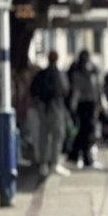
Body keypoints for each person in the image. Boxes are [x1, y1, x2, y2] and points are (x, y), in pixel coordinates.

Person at [28, 50, 70, 182]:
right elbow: (65, 90)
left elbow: (33, 89)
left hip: (43, 108)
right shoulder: (59, 74)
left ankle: (44, 163)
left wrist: (38, 100)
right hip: (55, 108)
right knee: (57, 135)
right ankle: (54, 162)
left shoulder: (41, 74)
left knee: (44, 136)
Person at [66, 50, 100, 167]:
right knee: (87, 130)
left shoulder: (81, 70)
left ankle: (75, 154)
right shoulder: (81, 72)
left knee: (84, 130)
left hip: (84, 104)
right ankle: (83, 156)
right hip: (84, 103)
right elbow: (78, 90)